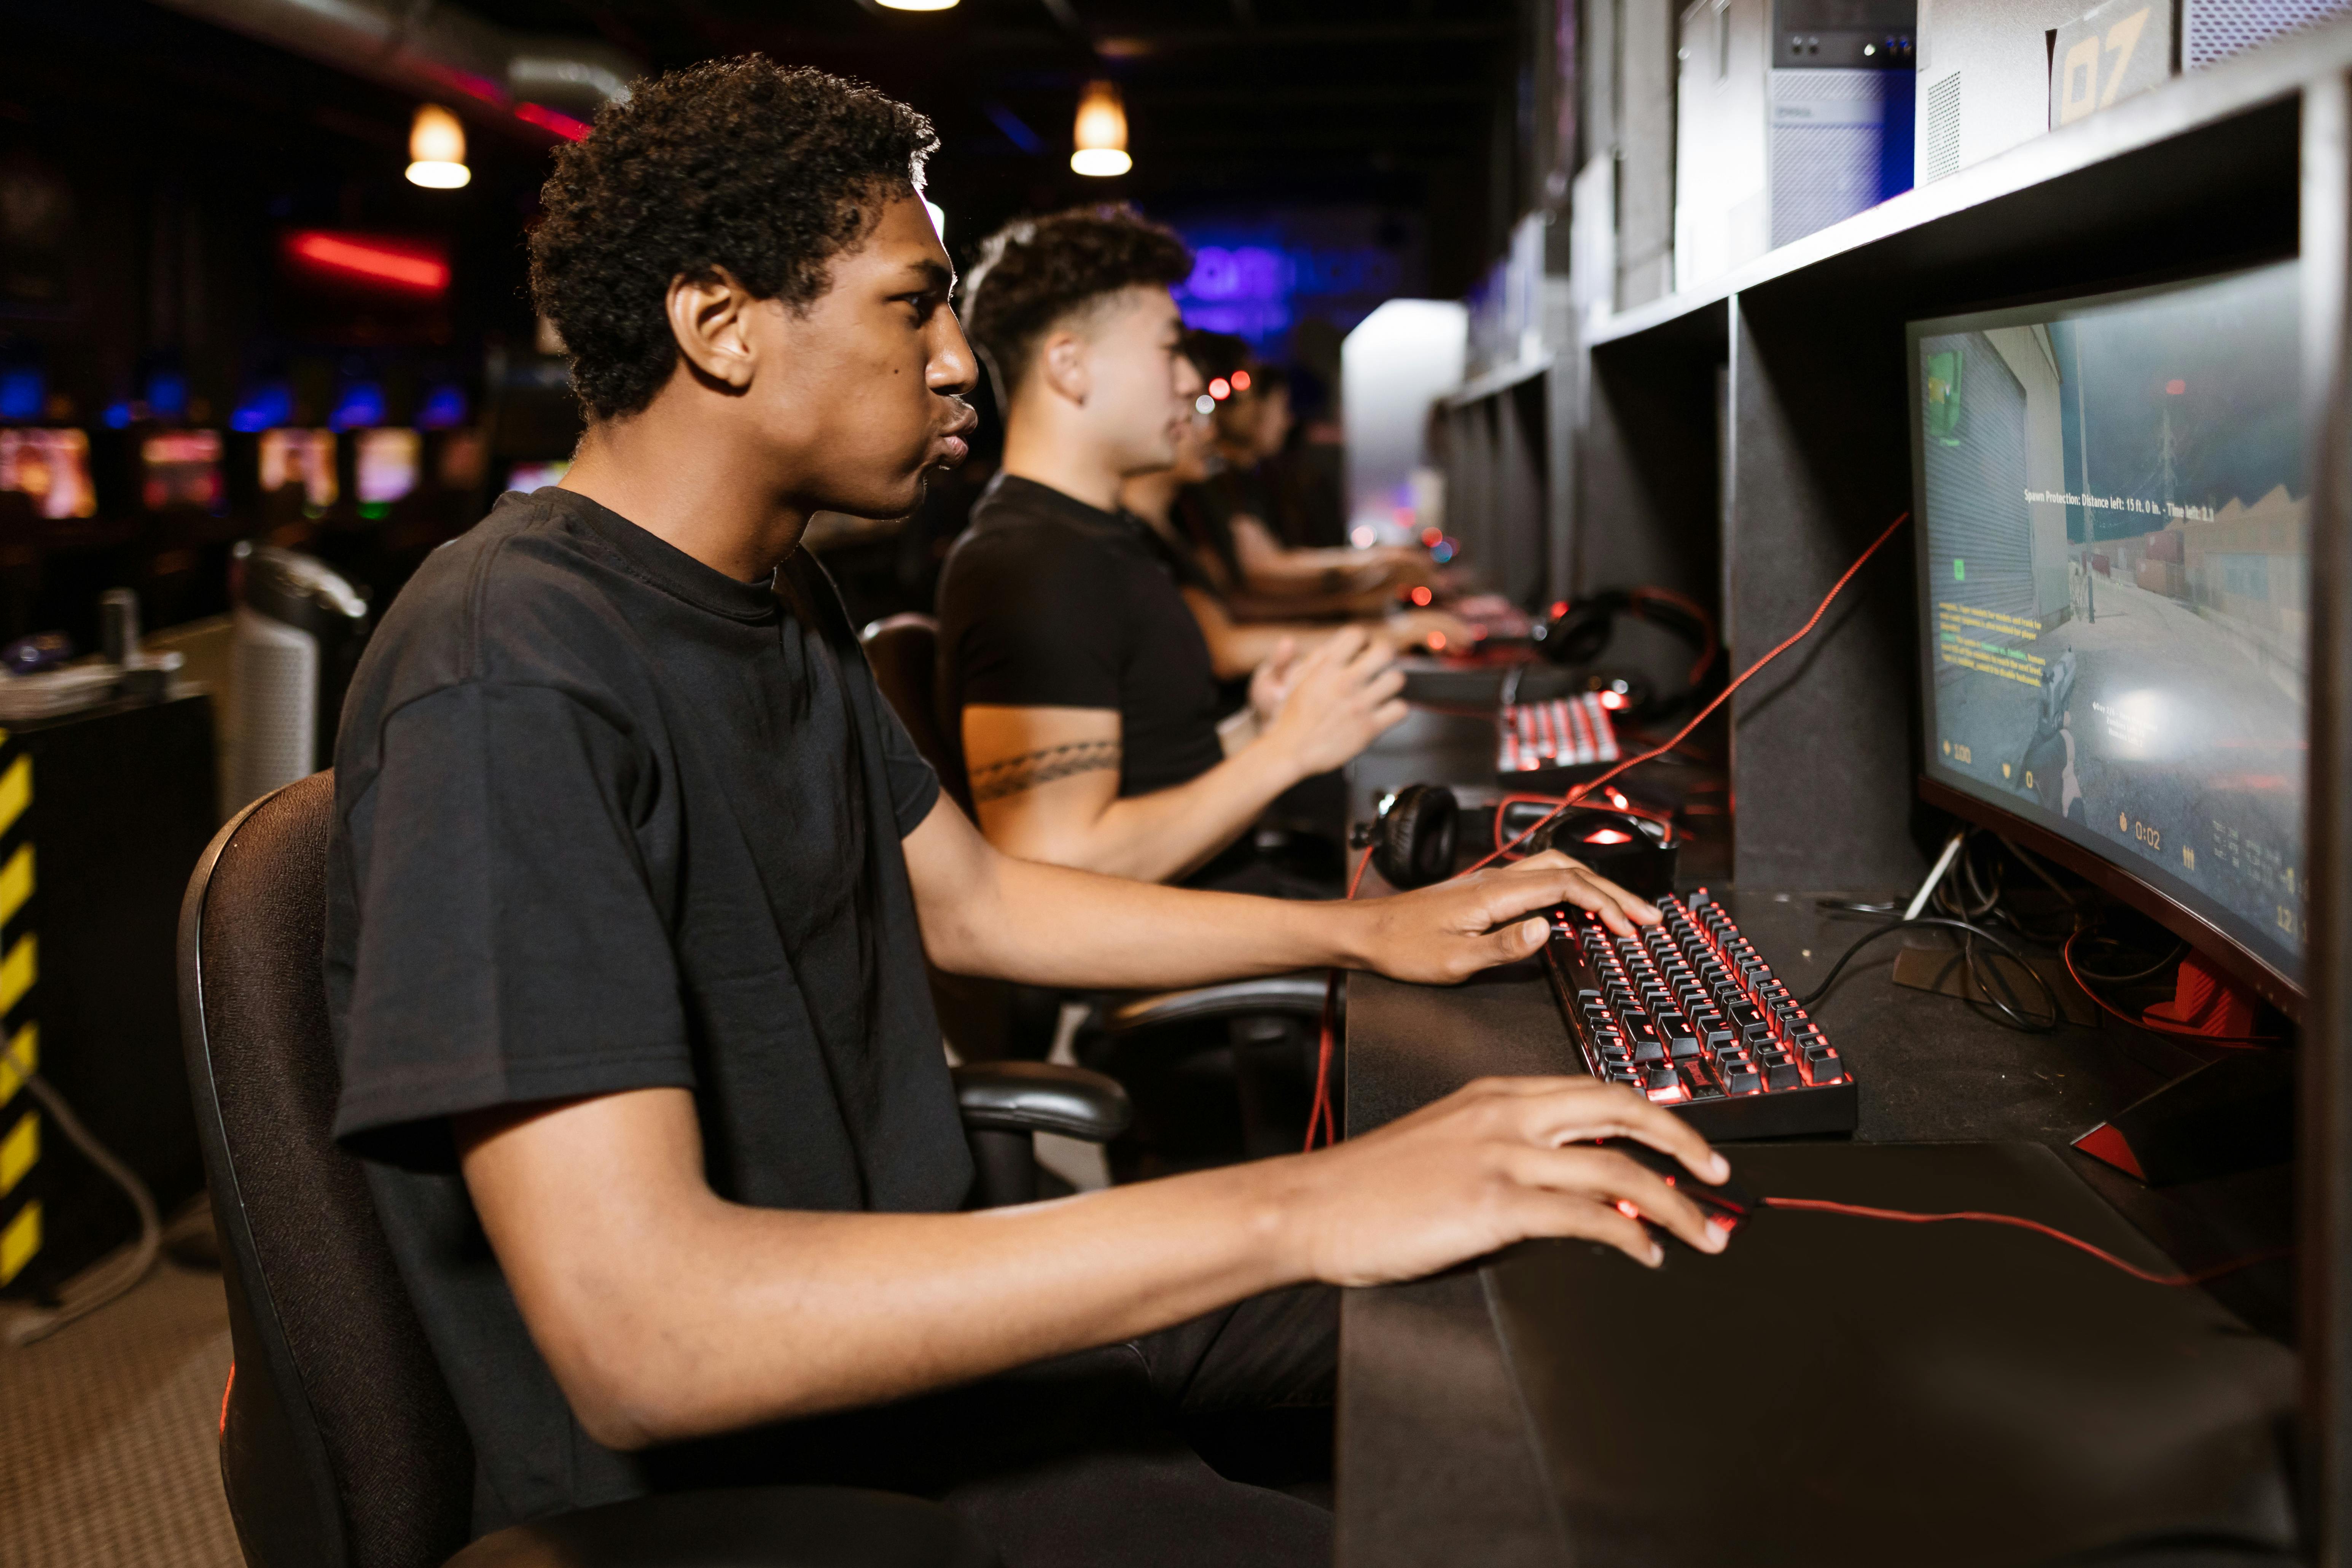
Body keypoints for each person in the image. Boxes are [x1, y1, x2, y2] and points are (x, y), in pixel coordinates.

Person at [326, 59, 1729, 1568]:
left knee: (1557, 1302)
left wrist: (1366, 929)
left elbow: (982, 903)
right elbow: (646, 1334)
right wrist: (1308, 1202)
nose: (959, 364)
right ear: (718, 326)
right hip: (775, 1484)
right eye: (910, 305)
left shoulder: (772, 594)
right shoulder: (509, 667)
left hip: (940, 1325)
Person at [935, 207, 1409, 888]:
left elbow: (1156, 774)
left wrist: (1258, 726)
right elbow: (1054, 871)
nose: (1190, 382)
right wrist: (1283, 751)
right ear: (1070, 367)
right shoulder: (1031, 565)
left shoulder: (1100, 536)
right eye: (1168, 349)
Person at [1119, 348, 1469, 685]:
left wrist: (1357, 603)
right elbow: (1228, 640)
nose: (1210, 429)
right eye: (1194, 411)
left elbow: (1236, 606)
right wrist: (1376, 624)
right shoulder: (1148, 526)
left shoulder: (1170, 521)